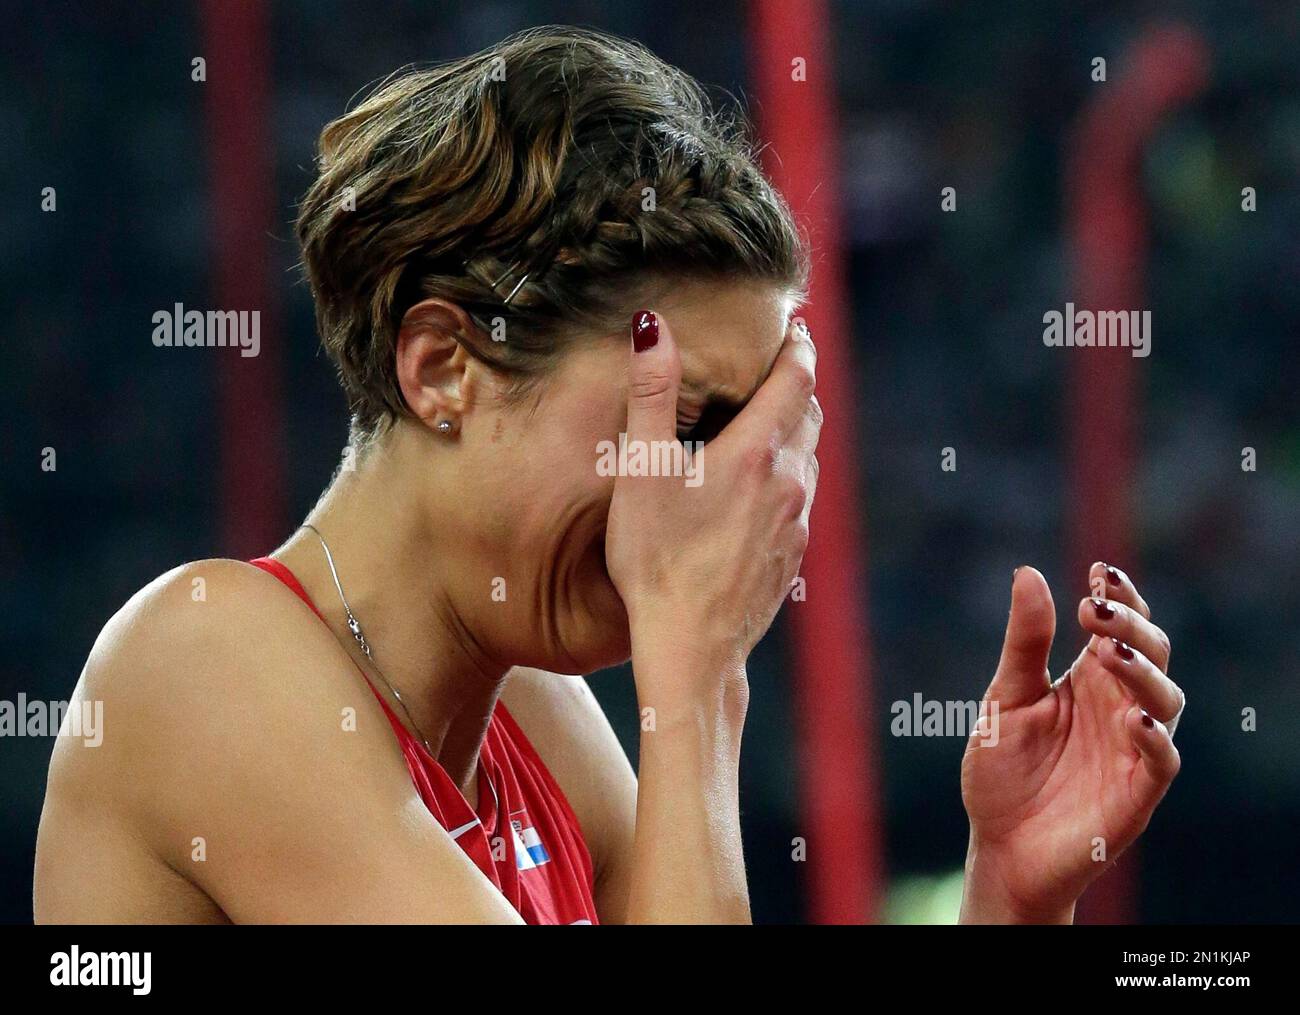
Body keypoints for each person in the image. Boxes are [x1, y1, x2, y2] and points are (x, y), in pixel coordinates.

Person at [34, 27, 1183, 925]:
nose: (707, 496)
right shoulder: (201, 659)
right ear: (444, 368)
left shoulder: (526, 708)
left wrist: (1007, 896)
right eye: (680, 424)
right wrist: (695, 682)